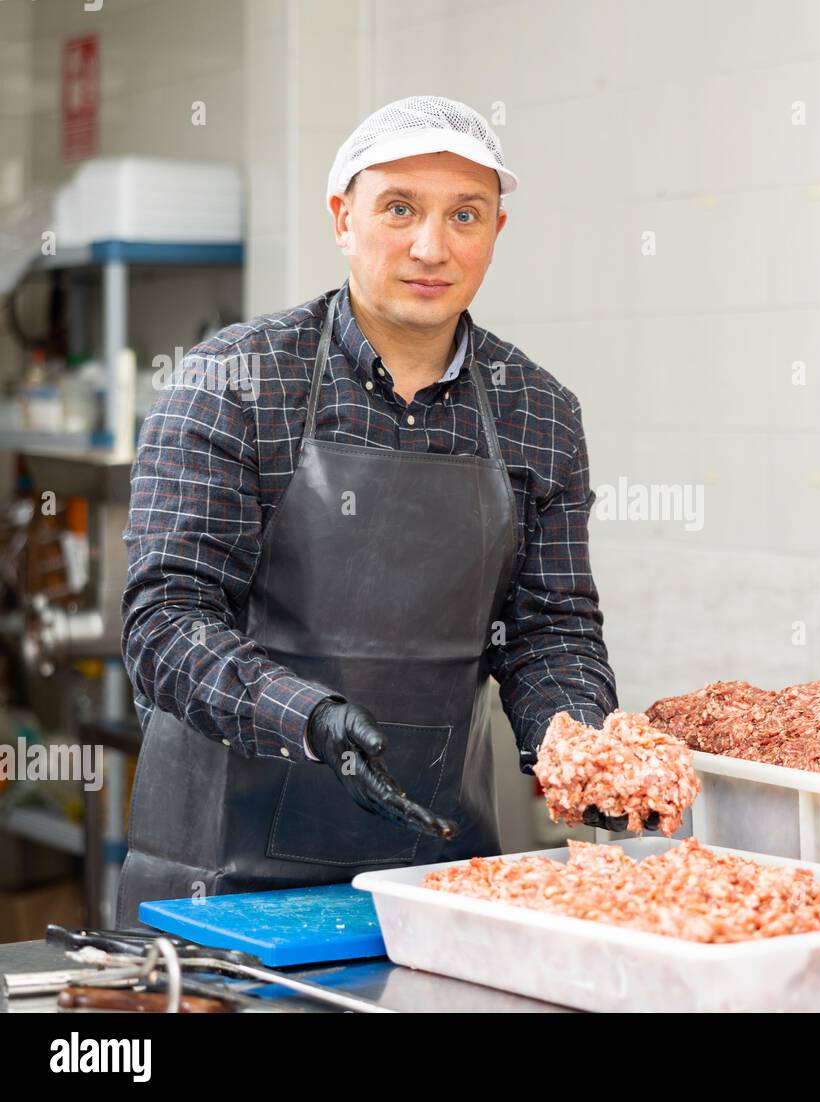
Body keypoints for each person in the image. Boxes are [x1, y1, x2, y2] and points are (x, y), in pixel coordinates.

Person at [116, 97, 619, 924]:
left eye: (465, 215)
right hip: (220, 882)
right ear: (342, 218)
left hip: (438, 876)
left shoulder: (538, 410)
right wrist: (313, 721)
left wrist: (577, 743)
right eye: (399, 209)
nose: (432, 246)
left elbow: (550, 631)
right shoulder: (232, 382)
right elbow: (164, 624)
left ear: (498, 230)